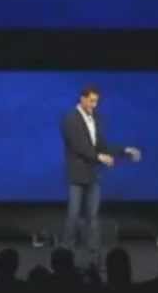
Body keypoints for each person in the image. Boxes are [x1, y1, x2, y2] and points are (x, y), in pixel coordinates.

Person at [60, 87, 141, 263]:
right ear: (82, 99)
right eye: (91, 101)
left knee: (93, 218)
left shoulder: (96, 118)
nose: (94, 105)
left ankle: (95, 259)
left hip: (92, 175)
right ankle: (64, 258)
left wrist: (124, 150)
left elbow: (101, 146)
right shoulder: (70, 118)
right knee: (73, 216)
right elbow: (79, 146)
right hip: (77, 175)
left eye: (96, 101)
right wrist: (99, 157)